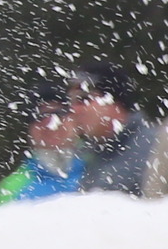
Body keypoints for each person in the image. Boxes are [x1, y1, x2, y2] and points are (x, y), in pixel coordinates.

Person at [66, 62, 167, 197]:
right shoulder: (93, 156)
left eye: (83, 99)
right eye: (71, 102)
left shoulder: (156, 147)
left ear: (113, 101)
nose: (74, 110)